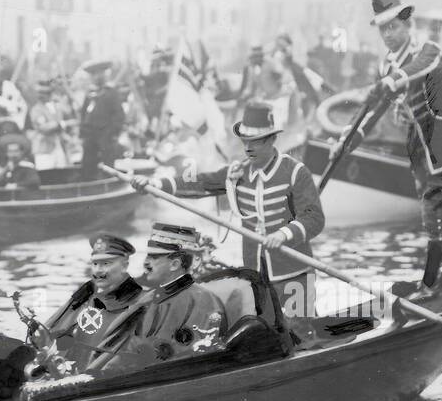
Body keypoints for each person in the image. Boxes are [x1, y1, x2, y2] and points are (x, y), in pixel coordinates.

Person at [337, 0, 442, 299]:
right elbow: (377, 110)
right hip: (420, 145)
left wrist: (391, 80)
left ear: (408, 24)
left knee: (433, 209)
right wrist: (350, 138)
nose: (388, 35)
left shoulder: (430, 51)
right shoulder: (385, 66)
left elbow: (414, 71)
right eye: (384, 29)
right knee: (439, 208)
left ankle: (427, 286)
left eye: (394, 27)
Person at [141, 100, 325, 317]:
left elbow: (314, 218)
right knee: (264, 334)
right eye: (245, 141)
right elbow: (200, 182)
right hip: (257, 277)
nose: (248, 147)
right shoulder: (237, 173)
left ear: (273, 139)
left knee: (303, 333)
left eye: (255, 141)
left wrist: (284, 234)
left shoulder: (295, 172)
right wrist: (156, 184)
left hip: (295, 273)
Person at [99, 224, 227, 373]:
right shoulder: (149, 299)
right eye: (147, 256)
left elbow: (188, 356)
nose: (145, 263)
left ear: (175, 264)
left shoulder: (203, 300)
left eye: (153, 257)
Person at [43, 234, 148, 373]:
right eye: (95, 263)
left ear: (124, 266)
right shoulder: (86, 295)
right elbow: (55, 331)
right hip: (75, 378)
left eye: (106, 263)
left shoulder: (143, 302)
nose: (98, 271)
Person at [80, 61, 124, 179]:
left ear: (104, 75)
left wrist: (113, 133)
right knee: (88, 164)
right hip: (90, 135)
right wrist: (83, 133)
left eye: (99, 73)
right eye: (93, 74)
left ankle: (108, 186)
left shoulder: (111, 92)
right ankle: (89, 186)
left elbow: (119, 115)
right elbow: (83, 114)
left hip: (106, 134)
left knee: (108, 164)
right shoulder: (89, 94)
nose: (96, 77)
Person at [27, 80, 69, 170]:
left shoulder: (55, 107)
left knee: (62, 174)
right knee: (46, 174)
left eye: (47, 92)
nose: (44, 95)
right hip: (44, 148)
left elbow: (67, 113)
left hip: (58, 146)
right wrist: (60, 124)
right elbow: (43, 128)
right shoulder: (36, 109)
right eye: (41, 93)